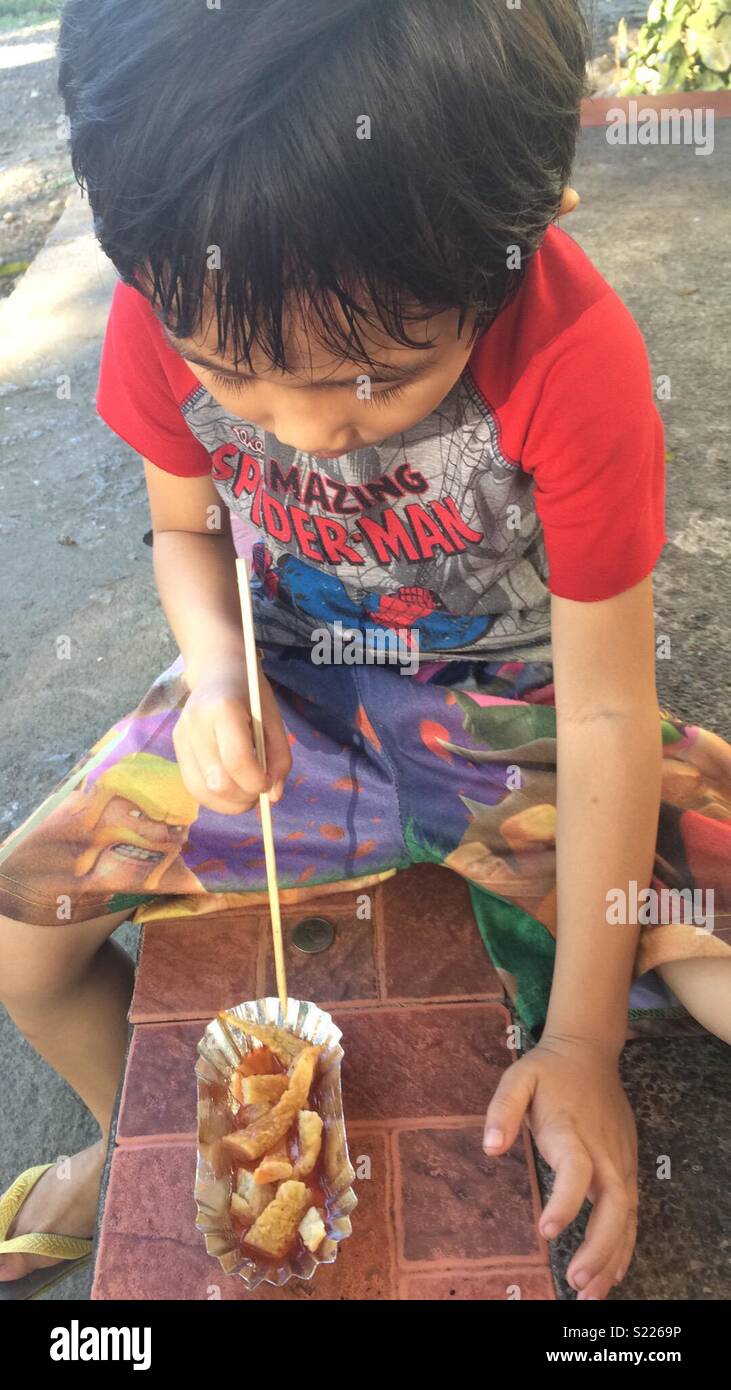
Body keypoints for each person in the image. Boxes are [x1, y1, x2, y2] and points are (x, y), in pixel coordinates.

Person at [1, 0, 729, 1302]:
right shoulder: (172, 292)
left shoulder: (572, 355)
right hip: (290, 717)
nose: (308, 432)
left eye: (380, 376)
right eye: (235, 375)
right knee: (19, 932)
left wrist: (583, 1040)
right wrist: (217, 668)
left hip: (517, 724)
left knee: (703, 925)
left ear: (525, 223)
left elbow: (612, 714)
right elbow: (184, 530)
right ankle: (151, 1138)